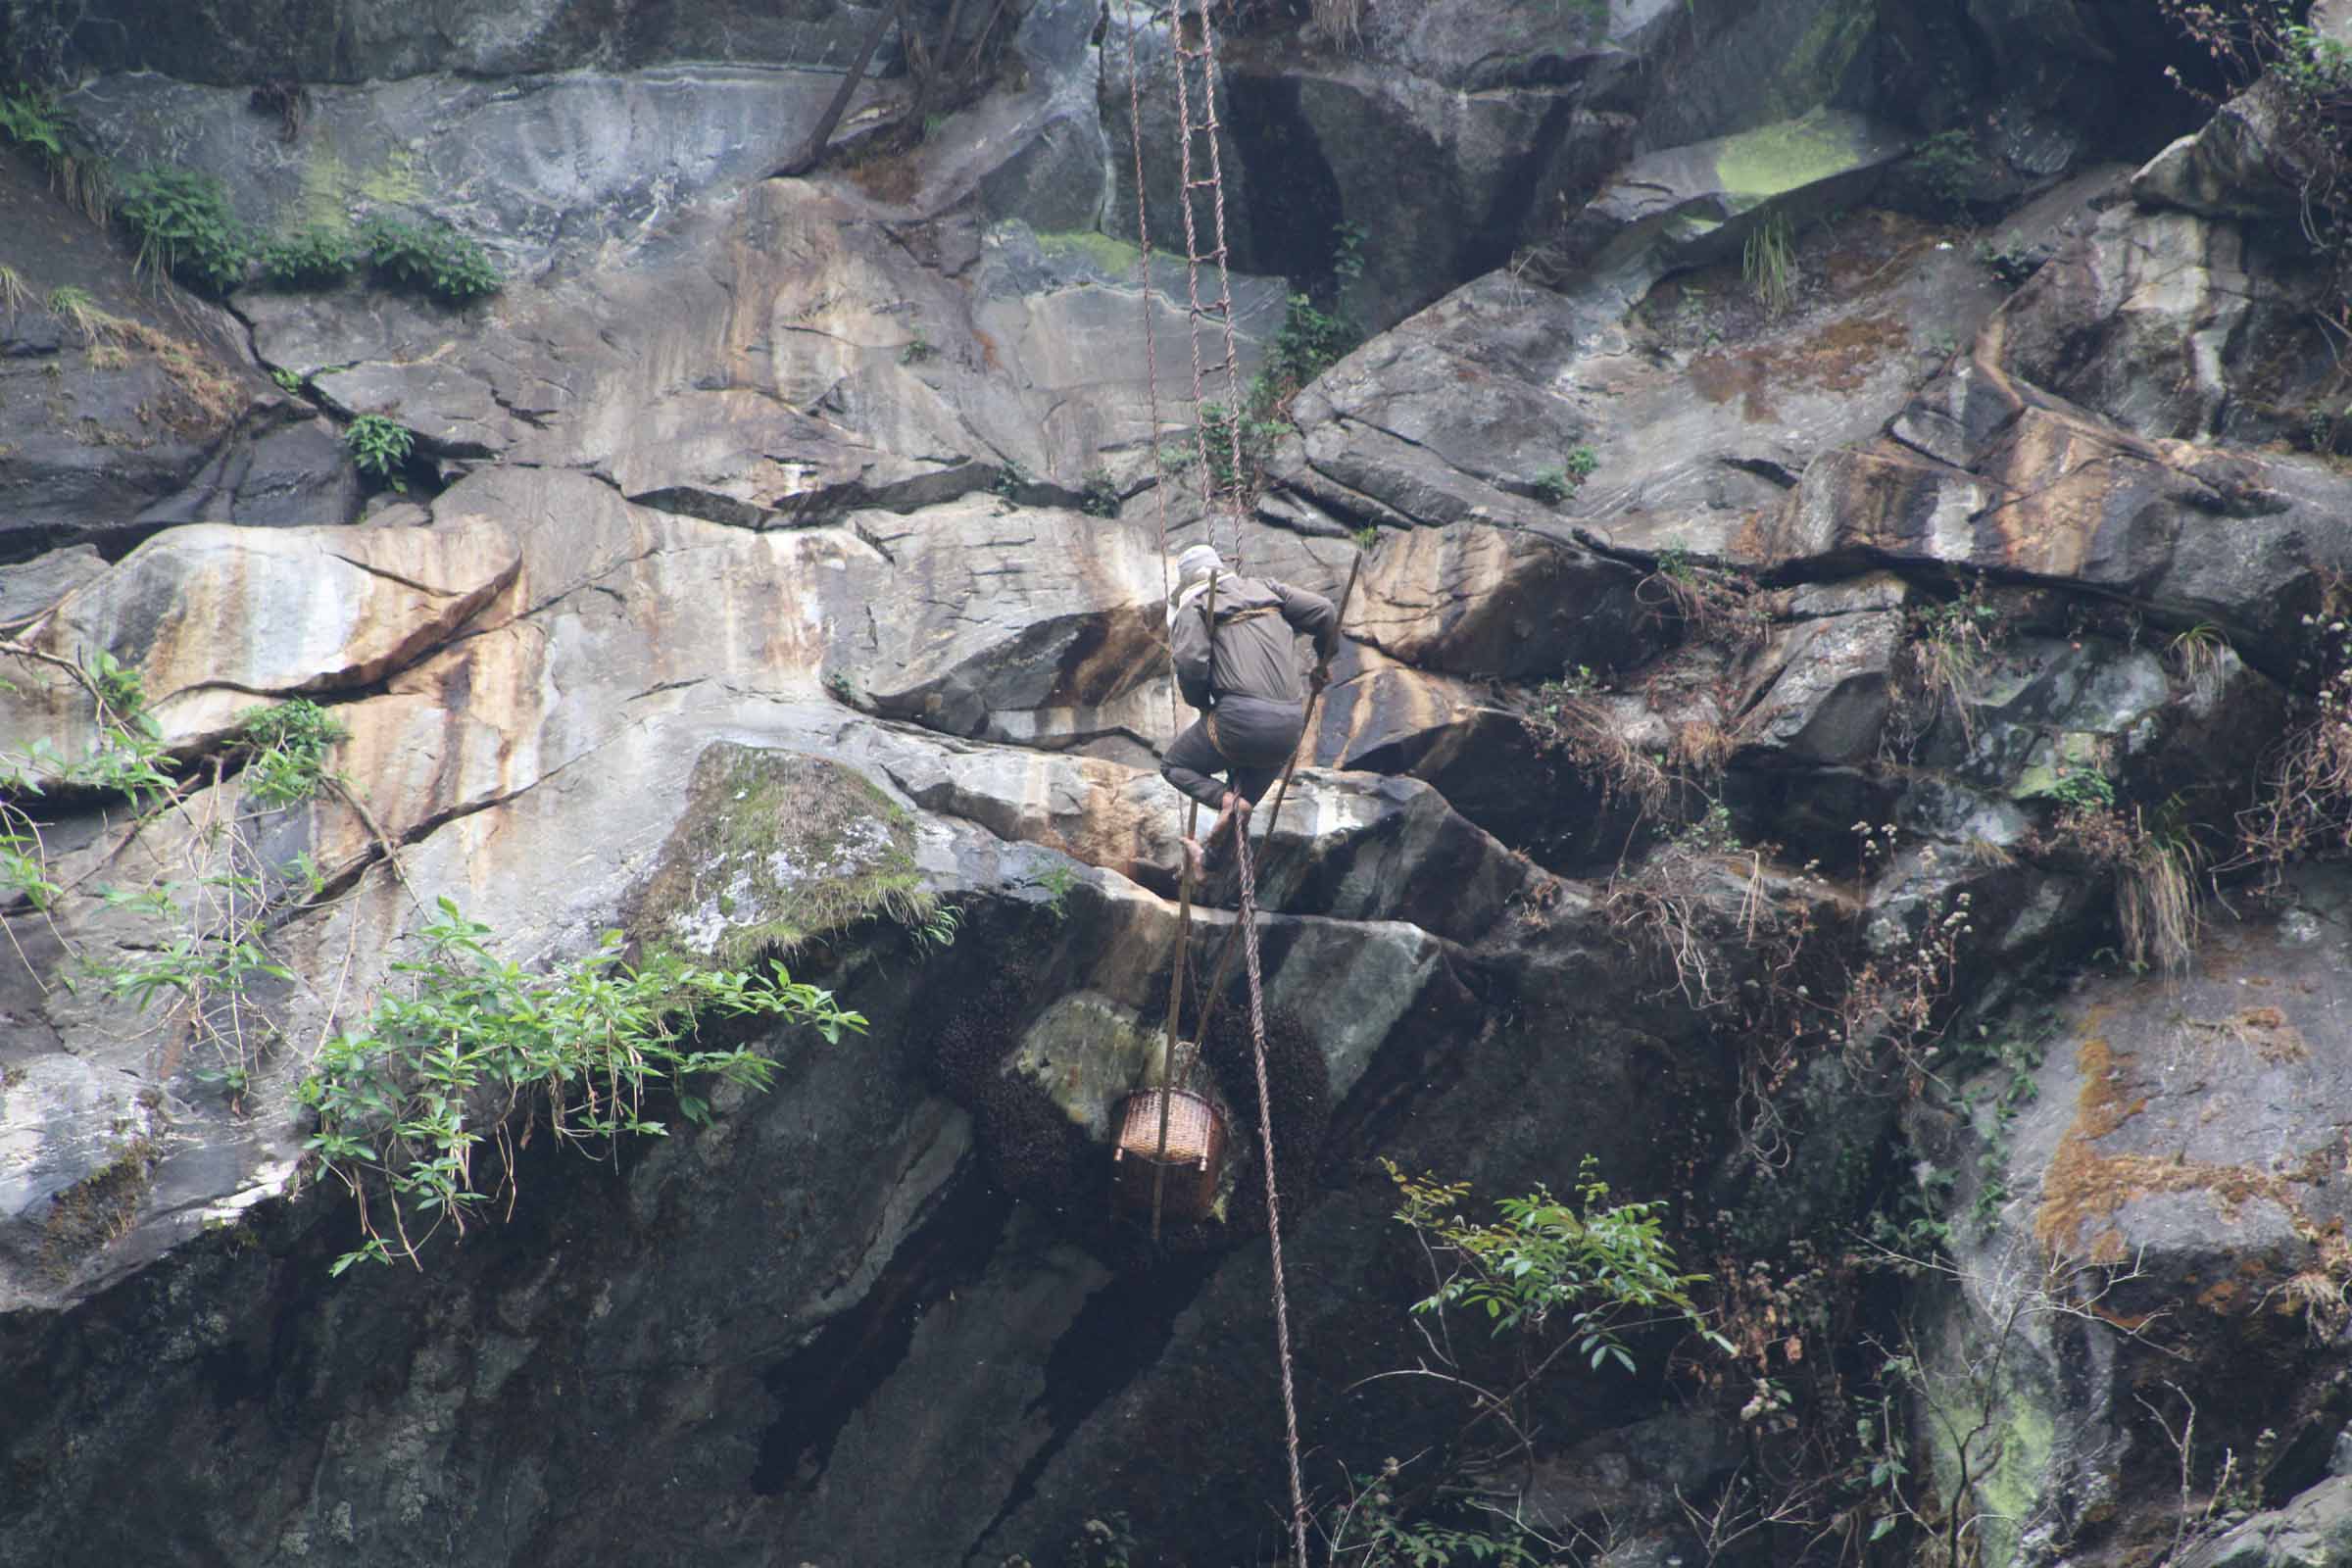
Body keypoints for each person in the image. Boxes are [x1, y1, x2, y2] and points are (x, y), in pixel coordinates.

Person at [1159, 544, 1339, 879]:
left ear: (1186, 583)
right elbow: (1326, 611)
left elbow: (1191, 663)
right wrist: (1323, 659)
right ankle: (1208, 861)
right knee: (1242, 807)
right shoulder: (1267, 589)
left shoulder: (1195, 606)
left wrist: (1201, 704)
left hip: (1239, 724)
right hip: (1288, 729)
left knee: (1174, 765)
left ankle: (1226, 801)